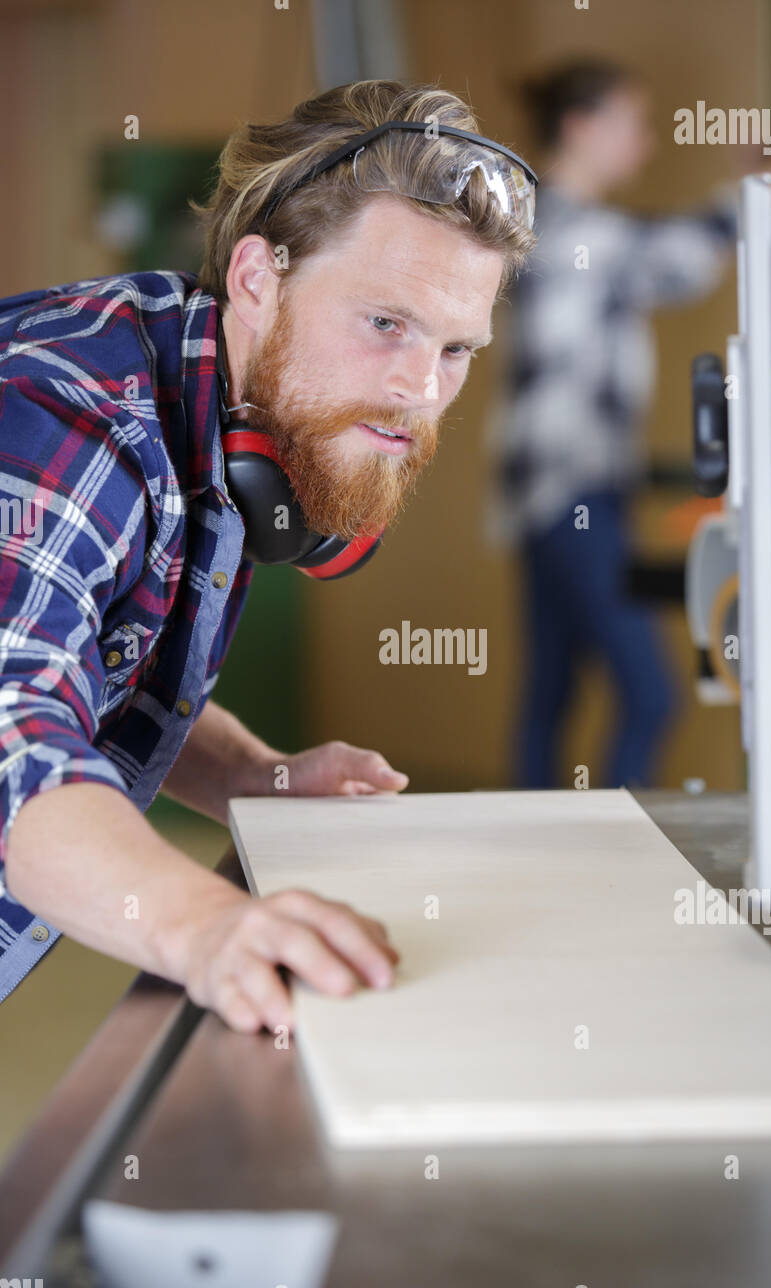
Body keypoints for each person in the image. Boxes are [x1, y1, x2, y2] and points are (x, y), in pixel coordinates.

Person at [0, 80, 536, 1033]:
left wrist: (251, 774)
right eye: (386, 323)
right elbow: (12, 737)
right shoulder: (64, 417)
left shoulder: (226, 414)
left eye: (458, 349)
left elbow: (83, 664)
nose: (420, 388)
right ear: (257, 279)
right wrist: (207, 929)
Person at [487, 59, 771, 790]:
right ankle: (617, 849)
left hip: (549, 496)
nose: (645, 145)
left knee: (549, 693)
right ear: (582, 127)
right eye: (633, 125)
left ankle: (545, 854)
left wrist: (758, 190)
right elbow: (687, 255)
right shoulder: (568, 230)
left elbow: (683, 250)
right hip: (570, 493)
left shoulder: (542, 221)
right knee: (648, 695)